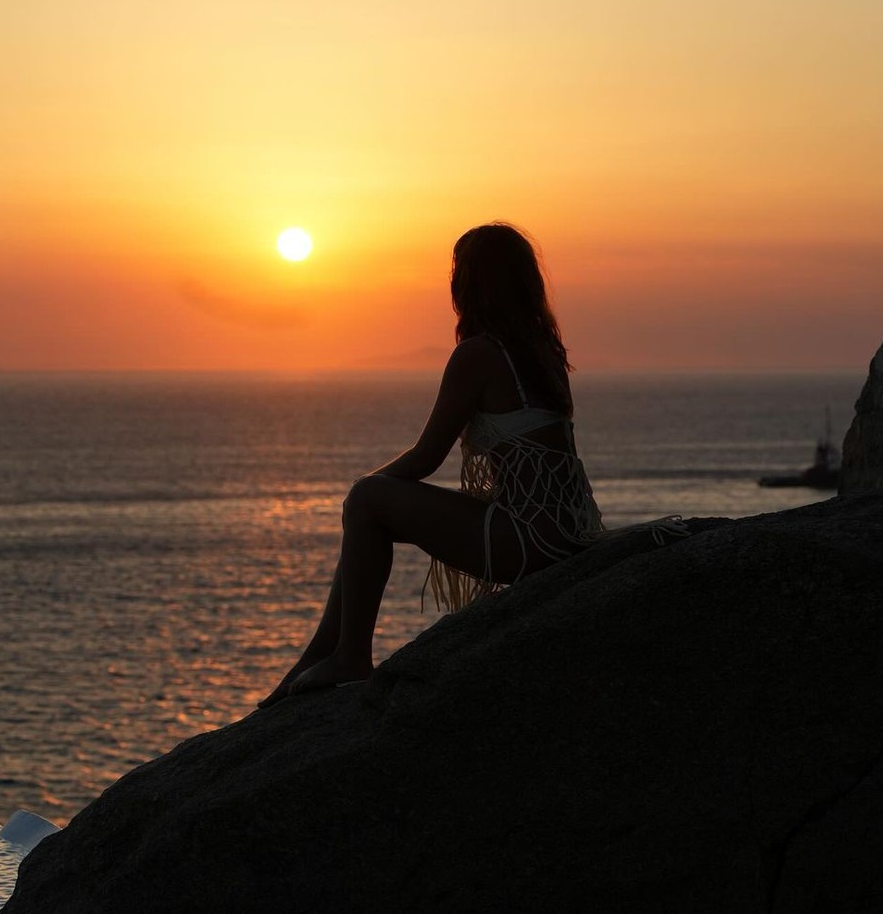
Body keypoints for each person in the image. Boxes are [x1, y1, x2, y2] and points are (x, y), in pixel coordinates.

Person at [258, 222, 673, 708]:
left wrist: (363, 491)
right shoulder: (542, 352)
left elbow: (425, 457)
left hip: (526, 539)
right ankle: (320, 654)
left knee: (367, 500)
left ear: (470, 284)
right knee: (365, 509)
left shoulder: (478, 354)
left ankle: (347, 656)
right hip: (565, 530)